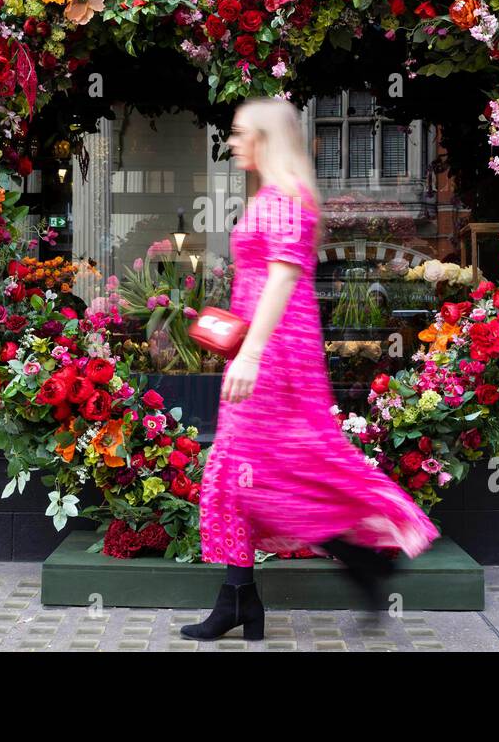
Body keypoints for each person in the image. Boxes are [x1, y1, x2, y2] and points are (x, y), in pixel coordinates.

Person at [181, 96, 440, 642]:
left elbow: (280, 278)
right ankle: (242, 596)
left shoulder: (284, 200)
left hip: (273, 354)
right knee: (246, 471)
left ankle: (356, 563)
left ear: (266, 138)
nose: (233, 141)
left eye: (240, 132)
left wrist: (252, 353)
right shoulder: (277, 196)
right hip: (264, 348)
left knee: (267, 470)